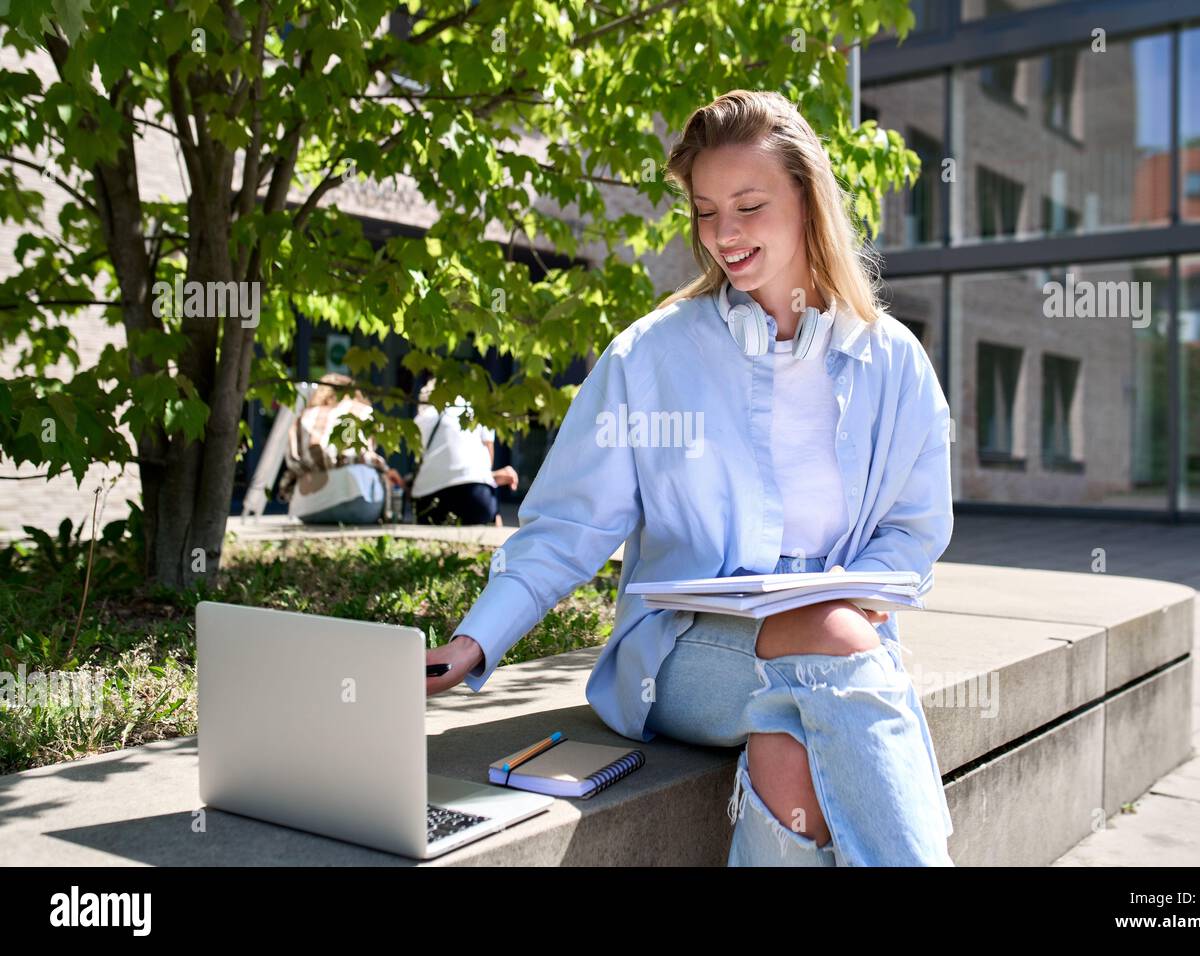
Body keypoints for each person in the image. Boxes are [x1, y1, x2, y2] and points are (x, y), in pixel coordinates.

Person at [424, 90, 956, 867]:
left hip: (840, 643)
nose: (725, 235)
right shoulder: (650, 356)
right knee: (831, 642)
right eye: (707, 212)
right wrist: (476, 639)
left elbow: (914, 528)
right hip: (684, 654)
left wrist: (847, 592)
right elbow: (571, 526)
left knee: (787, 743)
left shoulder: (892, 359)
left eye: (748, 205)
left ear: (808, 199)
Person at [277, 372, 405, 524]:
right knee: (377, 476)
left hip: (309, 507)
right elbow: (356, 455)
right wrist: (384, 468)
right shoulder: (359, 411)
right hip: (356, 502)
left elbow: (293, 462)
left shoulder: (304, 416)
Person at [409, 380, 518, 527]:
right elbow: (487, 461)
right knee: (492, 508)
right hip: (476, 498)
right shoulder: (477, 412)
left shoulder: (421, 419)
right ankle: (500, 548)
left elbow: (427, 466)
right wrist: (488, 478)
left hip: (429, 502)